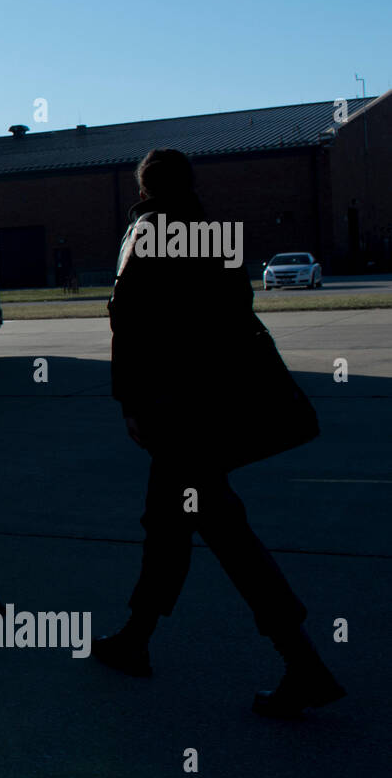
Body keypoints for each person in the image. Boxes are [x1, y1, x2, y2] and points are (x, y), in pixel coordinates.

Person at [95, 148, 345, 718]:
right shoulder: (217, 235)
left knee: (221, 533)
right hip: (216, 408)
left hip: (175, 414)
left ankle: (302, 663)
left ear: (144, 189)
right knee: (170, 523)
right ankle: (137, 637)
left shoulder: (146, 231)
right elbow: (237, 311)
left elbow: (126, 319)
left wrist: (130, 402)